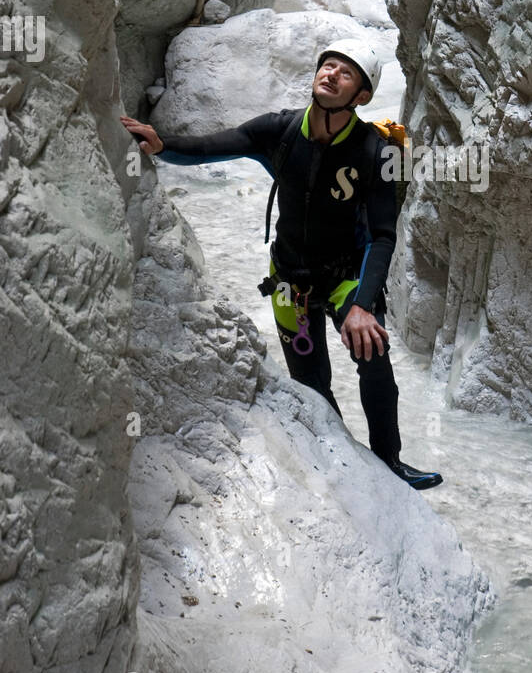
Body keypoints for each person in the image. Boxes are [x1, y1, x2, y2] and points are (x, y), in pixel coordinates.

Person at [120, 39, 443, 490]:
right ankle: (342, 463)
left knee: (373, 355)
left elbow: (383, 236)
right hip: (291, 281)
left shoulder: (376, 151)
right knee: (311, 385)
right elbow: (211, 146)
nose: (331, 74)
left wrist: (362, 305)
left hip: (346, 277)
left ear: (362, 96)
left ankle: (389, 462)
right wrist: (161, 145)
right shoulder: (281, 131)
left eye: (345, 73)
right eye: (327, 66)